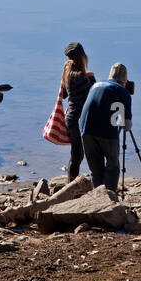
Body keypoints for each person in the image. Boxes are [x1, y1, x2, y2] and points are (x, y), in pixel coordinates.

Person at [78, 62, 133, 192]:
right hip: (107, 132)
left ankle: (98, 197)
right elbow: (127, 125)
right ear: (124, 81)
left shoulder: (95, 85)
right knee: (113, 166)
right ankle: (110, 197)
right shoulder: (122, 91)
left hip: (85, 129)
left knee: (96, 169)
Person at [59, 42, 95, 181]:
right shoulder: (84, 77)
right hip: (82, 119)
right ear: (82, 57)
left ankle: (70, 182)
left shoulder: (67, 74)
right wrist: (91, 77)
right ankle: (72, 184)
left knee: (76, 155)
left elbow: (63, 95)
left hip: (71, 118)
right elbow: (94, 96)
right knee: (83, 154)